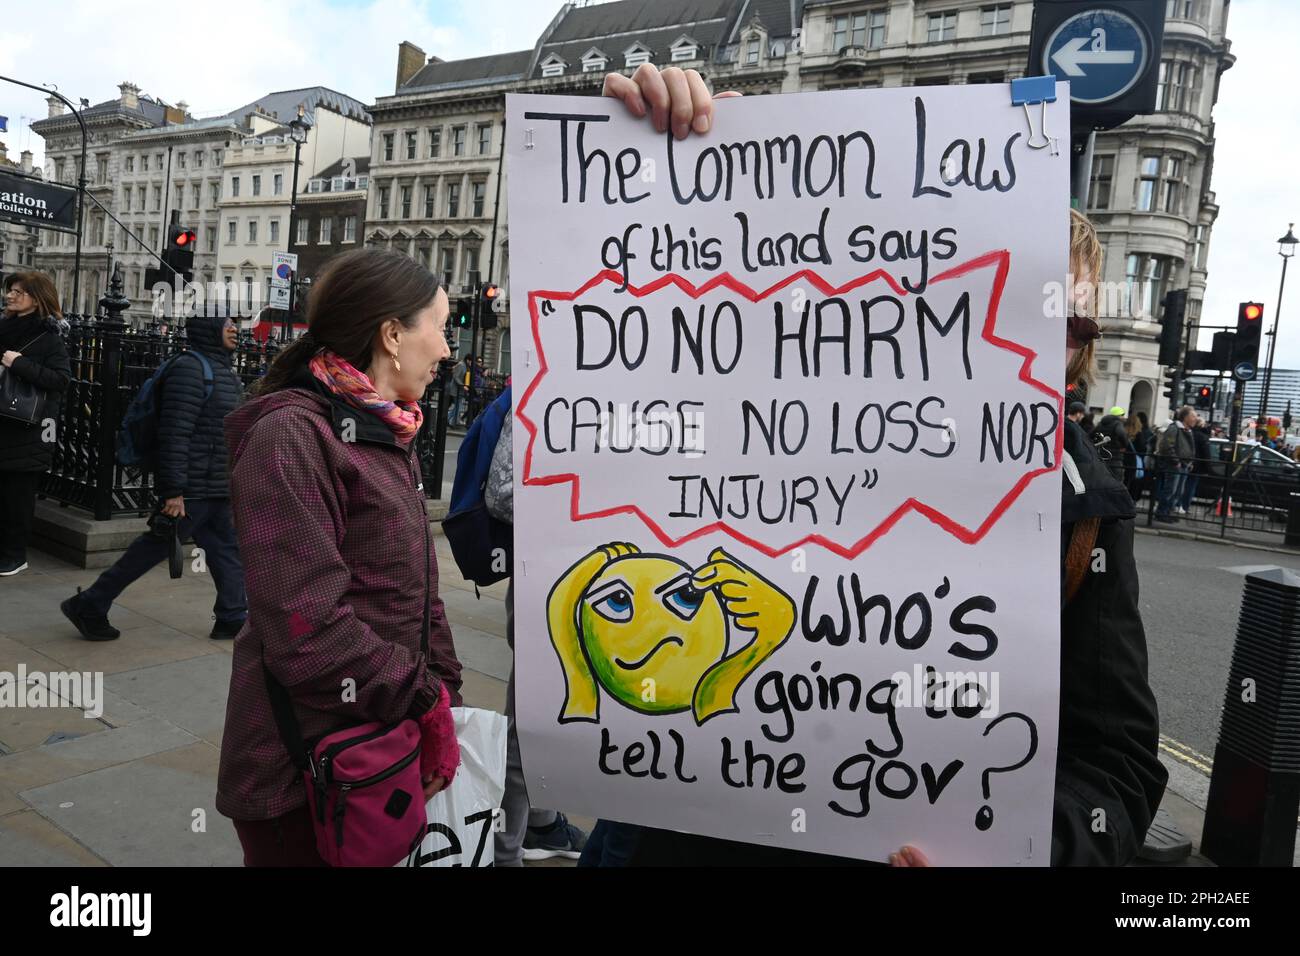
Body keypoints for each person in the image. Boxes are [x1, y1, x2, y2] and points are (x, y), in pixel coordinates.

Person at [601, 67, 1168, 866]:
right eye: (992, 296)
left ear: (1080, 355)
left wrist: (1022, 851)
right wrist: (684, 170)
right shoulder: (746, 419)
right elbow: (636, 373)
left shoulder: (1085, 509)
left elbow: (1116, 765)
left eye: (1062, 320)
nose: (1021, 340)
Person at [215, 248, 463, 866]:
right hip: (302, 767)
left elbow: (417, 589)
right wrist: (422, 698)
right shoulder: (292, 434)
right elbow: (306, 628)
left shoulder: (383, 430)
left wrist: (445, 696)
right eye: (440, 326)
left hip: (379, 741)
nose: (448, 350)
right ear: (392, 334)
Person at [61, 314, 248, 640]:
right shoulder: (190, 370)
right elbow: (174, 433)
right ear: (208, 328)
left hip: (215, 484)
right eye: (227, 322)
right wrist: (173, 489)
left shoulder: (224, 371)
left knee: (226, 550)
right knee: (153, 548)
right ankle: (90, 603)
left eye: (236, 322)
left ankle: (232, 615)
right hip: (191, 487)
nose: (235, 328)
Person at [484, 406, 590, 864]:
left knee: (555, 719)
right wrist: (595, 503)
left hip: (611, 588)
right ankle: (504, 852)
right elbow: (501, 494)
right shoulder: (538, 396)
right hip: (549, 586)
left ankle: (541, 823)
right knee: (529, 722)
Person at [0, 272, 71, 576]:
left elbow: (60, 380)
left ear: (36, 298)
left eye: (18, 292)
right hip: (2, 423)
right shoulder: (4, 328)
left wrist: (20, 364)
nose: (10, 296)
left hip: (26, 429)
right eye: (10, 291)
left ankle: (15, 555)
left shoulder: (48, 338)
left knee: (16, 498)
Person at [1154, 407, 1196, 523]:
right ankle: (1161, 512)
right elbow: (1167, 445)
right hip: (1175, 464)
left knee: (1178, 491)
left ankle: (1168, 512)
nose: (1195, 419)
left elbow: (1190, 448)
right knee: (1170, 489)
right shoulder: (1175, 428)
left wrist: (1190, 461)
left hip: (1184, 464)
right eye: (1193, 416)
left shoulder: (1188, 430)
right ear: (1186, 417)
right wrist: (1175, 461)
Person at [1093, 406, 1133, 485]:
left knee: (1102, 480)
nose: (1124, 417)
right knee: (1117, 481)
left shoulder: (1101, 423)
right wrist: (1124, 445)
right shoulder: (1117, 423)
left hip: (1101, 456)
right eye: (1122, 415)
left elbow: (1091, 434)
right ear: (1119, 415)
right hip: (1115, 457)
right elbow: (1121, 434)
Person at [1181, 416, 1212, 512]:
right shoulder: (1203, 437)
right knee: (1190, 486)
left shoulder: (1190, 433)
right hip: (1197, 466)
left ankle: (1179, 505)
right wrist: (1208, 468)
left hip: (1187, 462)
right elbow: (1206, 454)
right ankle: (1185, 506)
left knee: (1183, 485)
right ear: (1201, 425)